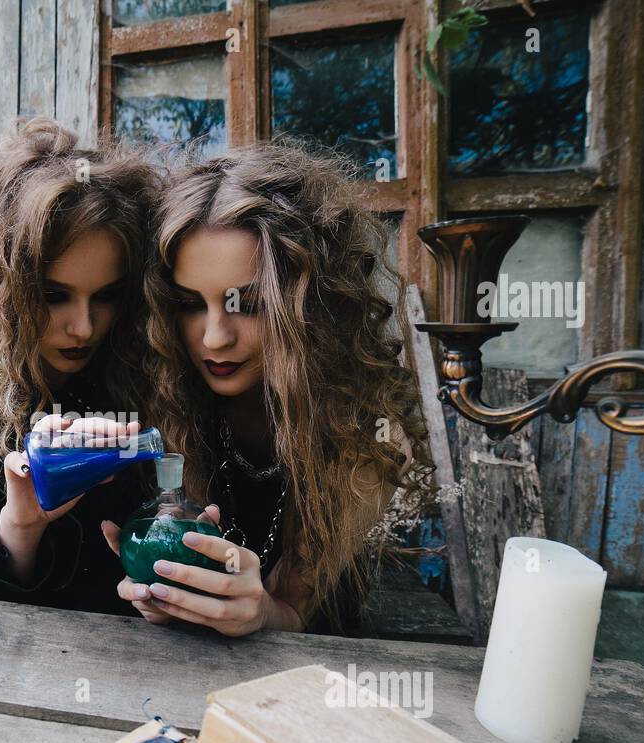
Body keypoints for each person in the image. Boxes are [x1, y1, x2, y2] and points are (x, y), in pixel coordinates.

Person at [104, 141, 433, 637]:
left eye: (249, 304)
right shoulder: (165, 395)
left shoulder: (366, 435)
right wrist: (165, 591)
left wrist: (258, 612)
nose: (215, 338)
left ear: (311, 308)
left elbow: (296, 614)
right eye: (191, 304)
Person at [0, 118, 159, 615]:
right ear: (0, 290)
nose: (83, 327)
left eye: (107, 296)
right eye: (54, 296)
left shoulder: (148, 375)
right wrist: (23, 525)